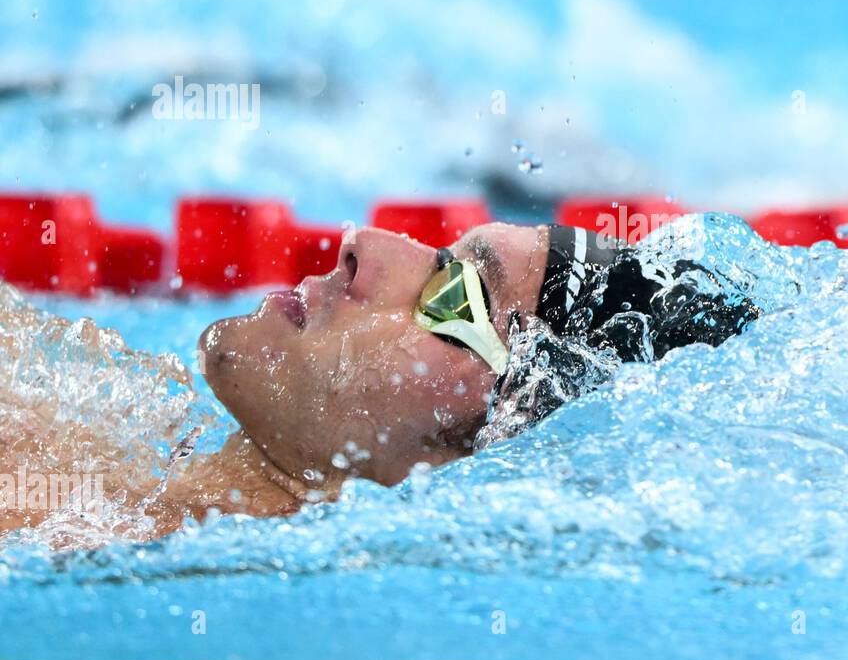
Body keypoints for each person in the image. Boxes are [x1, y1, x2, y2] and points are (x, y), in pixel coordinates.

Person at [0, 223, 759, 540]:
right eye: (441, 251)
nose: (366, 243)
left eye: (455, 299)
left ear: (492, 449)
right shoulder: (99, 459)